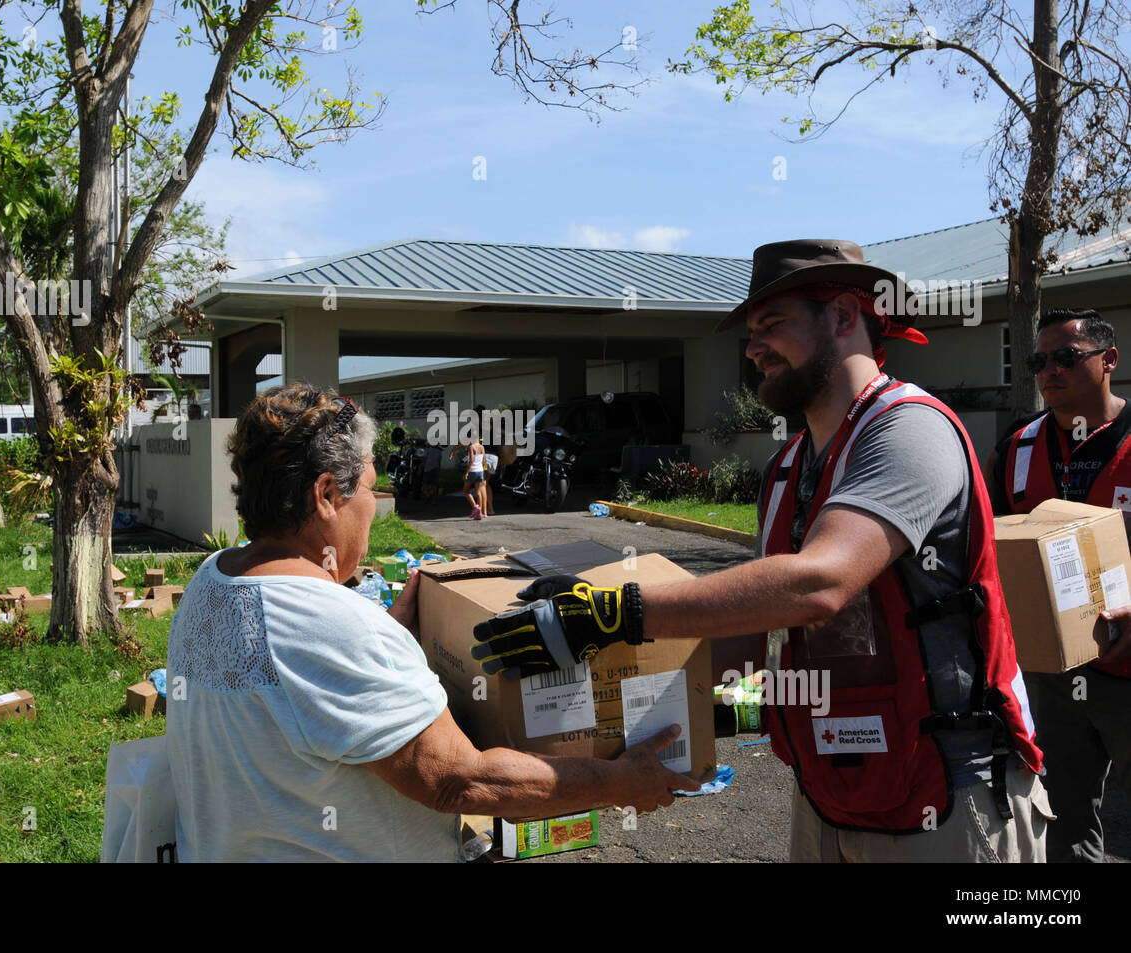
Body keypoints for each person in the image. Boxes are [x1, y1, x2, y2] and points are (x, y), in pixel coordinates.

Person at [474, 240, 1051, 862]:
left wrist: (613, 612)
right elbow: (742, 648)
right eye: (750, 332)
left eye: (772, 325)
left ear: (843, 315)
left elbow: (818, 583)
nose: (752, 349)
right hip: (828, 789)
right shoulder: (786, 469)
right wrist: (598, 723)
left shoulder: (909, 429)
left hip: (947, 795)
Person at [165, 383, 690, 862]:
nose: (375, 505)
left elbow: (290, 701)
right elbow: (459, 782)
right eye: (370, 487)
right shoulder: (332, 623)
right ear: (326, 496)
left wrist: (389, 637)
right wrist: (619, 782)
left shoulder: (211, 580)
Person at [984, 307, 1131, 863]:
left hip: (1128, 671)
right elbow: (986, 549)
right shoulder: (1016, 448)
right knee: (1063, 820)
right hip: (1050, 676)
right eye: (1038, 360)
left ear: (1108, 360)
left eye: (1066, 357)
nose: (1049, 370)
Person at [463, 434, 487, 519]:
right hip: (480, 471)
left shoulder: (471, 447)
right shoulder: (482, 447)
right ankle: (479, 514)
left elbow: (471, 460)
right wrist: (484, 471)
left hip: (473, 471)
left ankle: (475, 507)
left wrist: (466, 472)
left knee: (465, 490)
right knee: (478, 492)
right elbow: (484, 460)